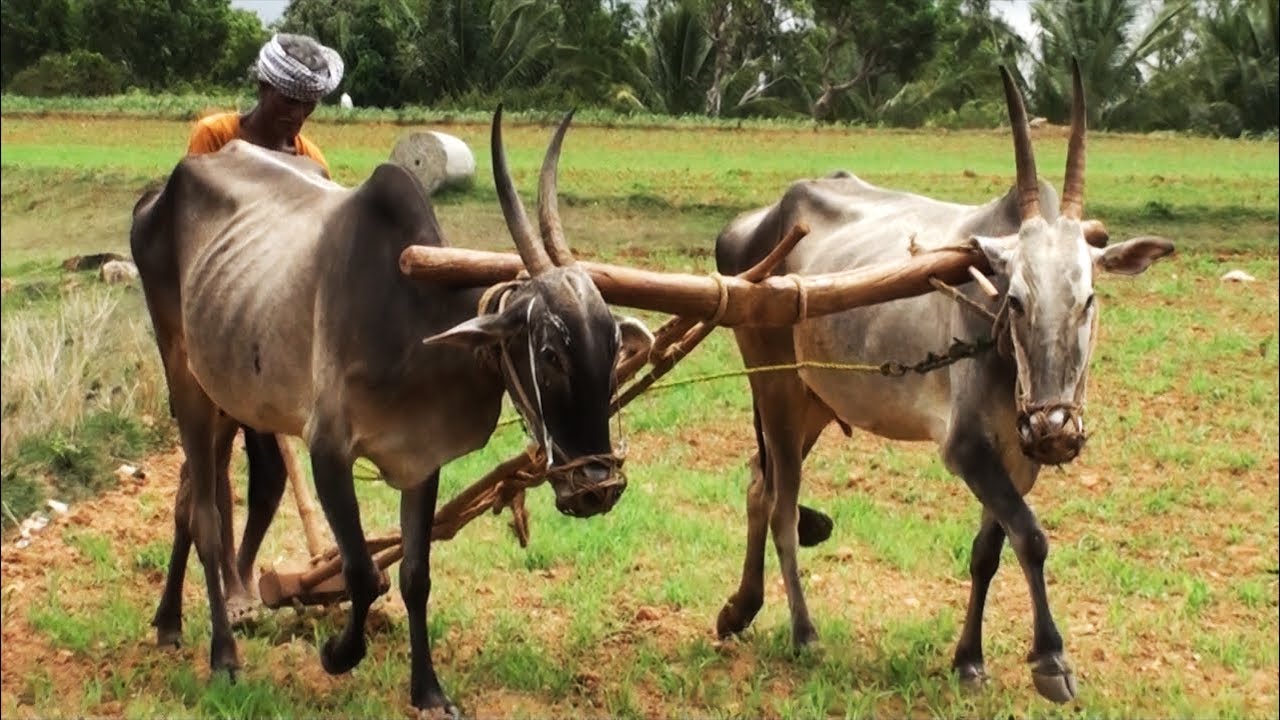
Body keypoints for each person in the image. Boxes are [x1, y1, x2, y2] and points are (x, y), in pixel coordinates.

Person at [186, 32, 344, 175]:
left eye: (309, 104)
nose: (298, 115)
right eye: (289, 101)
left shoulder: (312, 161)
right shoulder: (215, 136)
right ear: (264, 87)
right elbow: (197, 202)